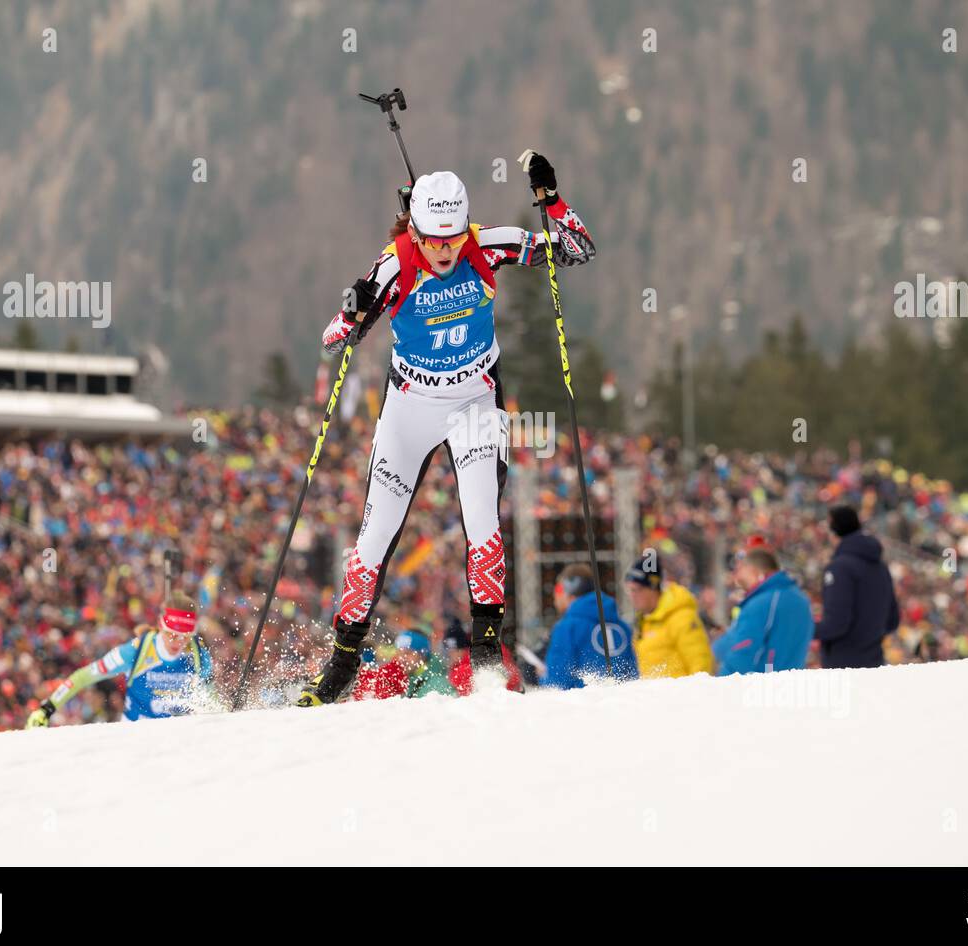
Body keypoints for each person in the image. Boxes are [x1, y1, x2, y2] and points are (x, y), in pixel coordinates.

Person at [298, 153, 595, 706]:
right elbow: (334, 337)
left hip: (475, 402)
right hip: (410, 406)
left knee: (483, 524)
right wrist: (354, 310)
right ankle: (340, 663)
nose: (444, 252)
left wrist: (549, 196)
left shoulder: (487, 243)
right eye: (433, 240)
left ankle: (486, 657)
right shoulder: (394, 264)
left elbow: (577, 248)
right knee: (373, 540)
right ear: (414, 227)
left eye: (453, 239)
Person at [26, 592, 214, 726]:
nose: (178, 643)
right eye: (172, 635)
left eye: (185, 637)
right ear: (161, 627)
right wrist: (47, 708)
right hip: (136, 736)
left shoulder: (197, 656)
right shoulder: (136, 650)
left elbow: (209, 696)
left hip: (177, 740)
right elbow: (85, 676)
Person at [815, 506, 900, 669]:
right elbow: (892, 621)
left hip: (843, 665)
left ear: (833, 531)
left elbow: (836, 624)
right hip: (874, 661)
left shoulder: (839, 568)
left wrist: (803, 628)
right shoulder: (880, 567)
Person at [712, 548, 813, 675]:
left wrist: (721, 682)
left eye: (740, 568)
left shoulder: (764, 602)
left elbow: (744, 648)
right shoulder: (799, 597)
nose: (737, 576)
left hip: (764, 684)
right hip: (790, 682)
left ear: (753, 570)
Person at [541, 563, 637, 689]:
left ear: (568, 591)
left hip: (584, 707)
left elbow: (557, 683)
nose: (554, 598)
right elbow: (633, 677)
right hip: (620, 705)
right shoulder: (623, 627)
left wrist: (541, 677)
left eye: (558, 590)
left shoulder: (566, 628)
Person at [623, 556, 714, 679]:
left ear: (653, 588)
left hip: (678, 696)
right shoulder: (644, 620)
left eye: (636, 590)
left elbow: (700, 665)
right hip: (654, 696)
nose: (632, 596)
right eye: (629, 590)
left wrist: (693, 696)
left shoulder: (680, 617)